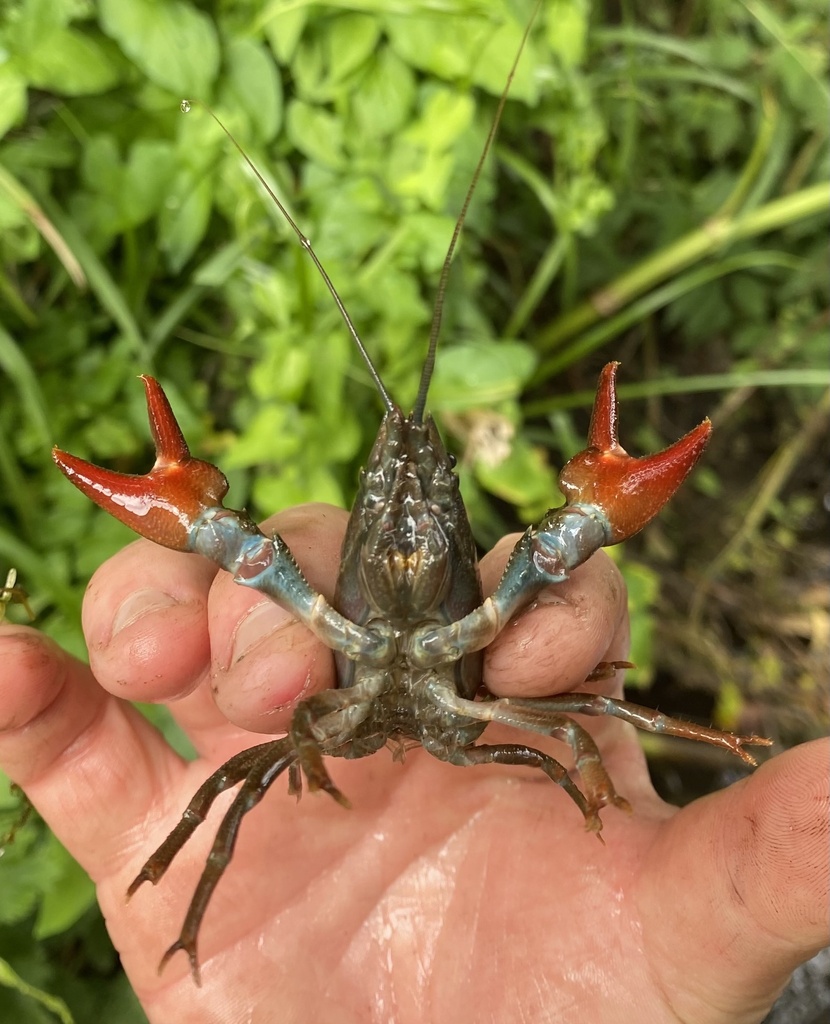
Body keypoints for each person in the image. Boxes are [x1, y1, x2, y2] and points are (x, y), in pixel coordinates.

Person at [0, 504, 827, 1024]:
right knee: (235, 783)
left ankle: (621, 793)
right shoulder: (316, 622)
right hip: (348, 720)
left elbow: (588, 718)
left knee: (578, 721)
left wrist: (603, 780)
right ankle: (187, 929)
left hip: (465, 720)